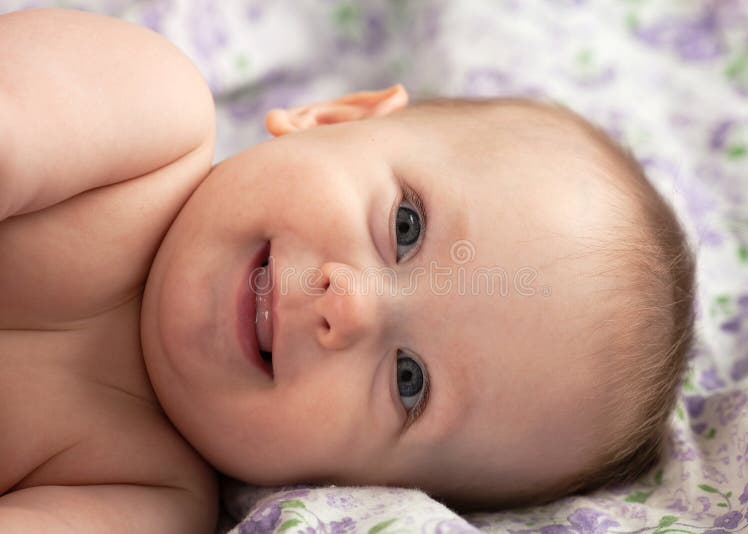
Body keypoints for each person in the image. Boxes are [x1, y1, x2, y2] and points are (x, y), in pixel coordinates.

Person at [0, 7, 696, 532]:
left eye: (408, 381)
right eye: (405, 227)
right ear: (330, 119)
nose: (350, 308)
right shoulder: (144, 117)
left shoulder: (142, 499)